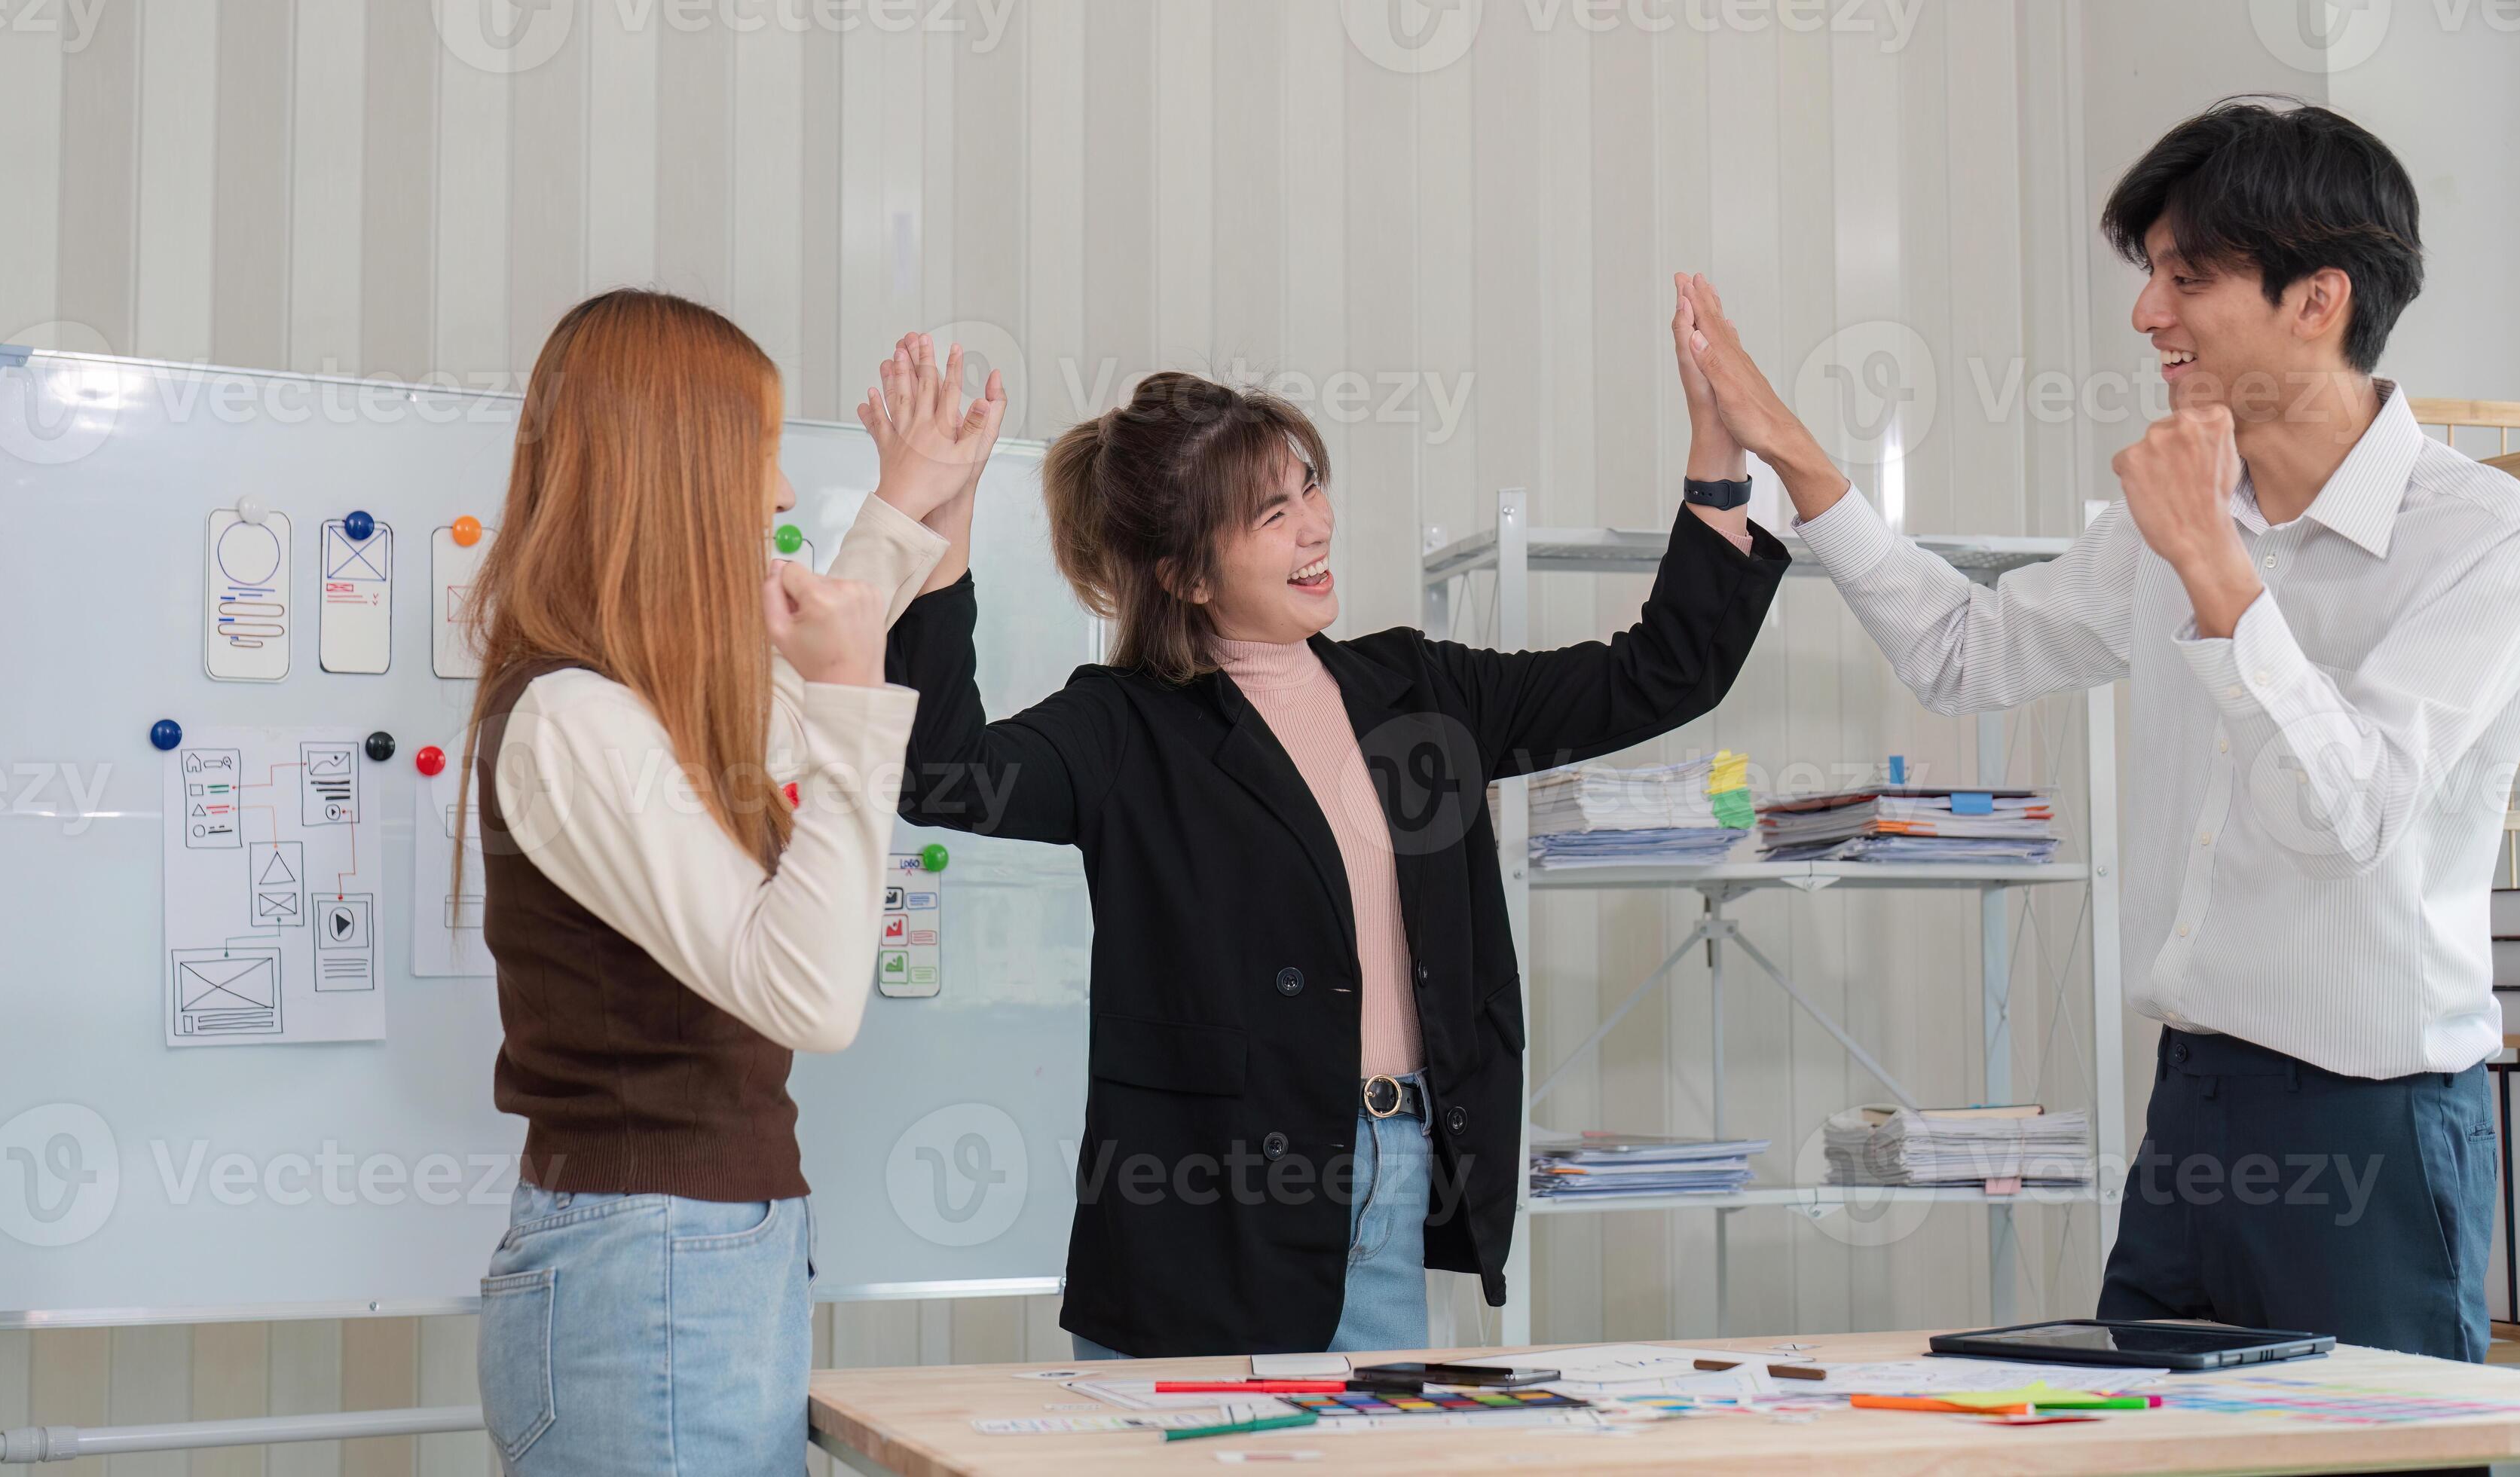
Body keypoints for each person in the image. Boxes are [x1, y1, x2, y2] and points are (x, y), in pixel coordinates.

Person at [1678, 99, 2520, 1367]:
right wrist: (1802, 462)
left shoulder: (2491, 541)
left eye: (2186, 276)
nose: (2149, 313)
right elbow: (1967, 651)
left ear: (2317, 300)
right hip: (2193, 1109)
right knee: (2139, 1452)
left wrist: (2213, 566)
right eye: (2151, 275)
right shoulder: (2182, 515)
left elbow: (2347, 816)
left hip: (2372, 1129)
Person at [863, 313, 1793, 1357]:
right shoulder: (1124, 726)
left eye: (1310, 485)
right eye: (1273, 512)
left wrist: (1720, 464)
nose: (1316, 524)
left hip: (1389, 1182)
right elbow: (945, 780)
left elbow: (1660, 673)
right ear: (1186, 576)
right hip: (1201, 1224)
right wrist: (938, 528)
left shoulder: (1419, 690)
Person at [464, 290, 995, 1472]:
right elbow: (809, 997)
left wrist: (906, 498)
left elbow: (786, 714)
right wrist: (862, 699)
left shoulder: (631, 704)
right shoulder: (573, 717)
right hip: (651, 1268)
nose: (783, 496)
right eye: (760, 457)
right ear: (680, 473)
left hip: (697, 1255)